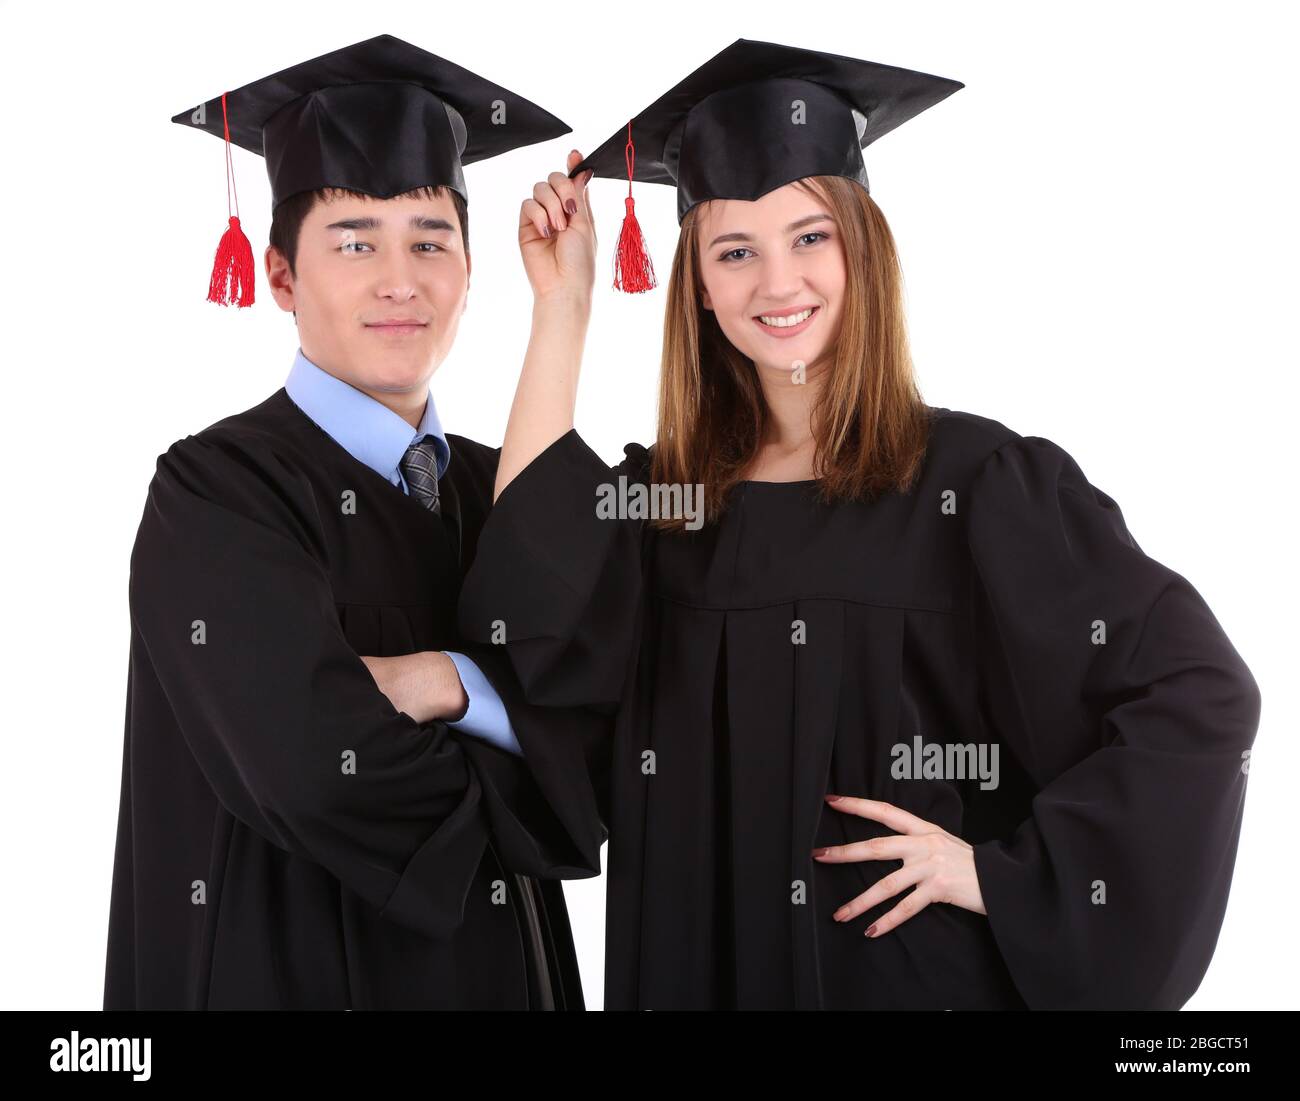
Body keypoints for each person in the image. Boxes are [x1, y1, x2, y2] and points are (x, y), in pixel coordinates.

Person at [458, 38, 1262, 1010]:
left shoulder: (978, 484)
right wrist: (560, 310)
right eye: (733, 251)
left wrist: (1006, 875)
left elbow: (1197, 693)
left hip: (906, 979)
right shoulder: (660, 509)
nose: (776, 282)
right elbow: (527, 625)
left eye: (808, 237)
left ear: (862, 246)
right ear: (700, 287)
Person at [104, 34, 609, 1010]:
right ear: (281, 277)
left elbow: (608, 749)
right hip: (286, 974)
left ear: (469, 270)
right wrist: (519, 734)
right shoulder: (217, 492)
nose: (399, 280)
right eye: (354, 242)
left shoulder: (501, 489)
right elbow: (308, 770)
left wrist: (439, 682)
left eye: (429, 240)